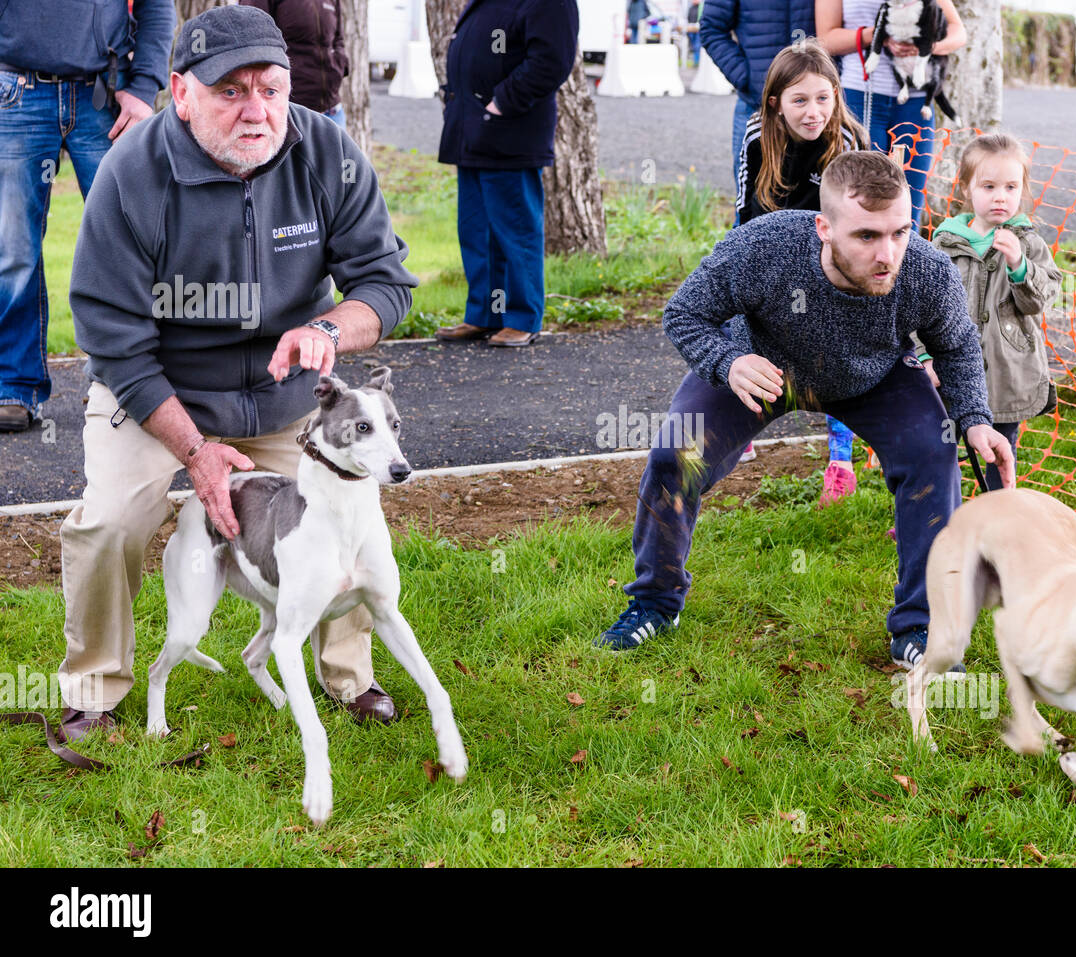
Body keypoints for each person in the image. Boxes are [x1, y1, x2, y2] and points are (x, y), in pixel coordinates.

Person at [56, 5, 418, 743]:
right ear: (180, 93)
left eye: (272, 88)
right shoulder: (131, 173)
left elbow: (387, 284)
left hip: (284, 397)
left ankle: (351, 676)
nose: (256, 110)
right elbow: (112, 338)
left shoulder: (327, 151)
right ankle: (93, 688)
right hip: (158, 391)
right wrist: (196, 452)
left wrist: (326, 329)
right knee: (112, 520)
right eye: (231, 91)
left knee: (342, 515)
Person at [596, 150, 1014, 672]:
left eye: (900, 232)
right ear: (824, 227)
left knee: (934, 457)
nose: (889, 254)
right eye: (867, 236)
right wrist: (727, 362)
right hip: (763, 372)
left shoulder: (925, 270)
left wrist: (975, 418)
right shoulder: (765, 246)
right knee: (675, 454)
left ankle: (920, 627)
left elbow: (955, 345)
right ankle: (655, 603)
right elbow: (684, 312)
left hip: (873, 375)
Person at [0, 0, 175, 433]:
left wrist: (144, 84)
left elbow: (157, 5)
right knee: (12, 250)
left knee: (137, 244)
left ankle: (148, 387)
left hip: (106, 98)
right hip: (15, 92)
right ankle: (15, 388)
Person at [733, 40, 869, 502]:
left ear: (836, 95)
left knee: (838, 354)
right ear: (775, 104)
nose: (814, 112)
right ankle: (736, 426)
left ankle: (840, 460)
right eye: (799, 100)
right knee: (740, 323)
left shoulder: (848, 142)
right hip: (771, 257)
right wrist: (745, 269)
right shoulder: (756, 136)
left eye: (823, 98)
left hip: (831, 262)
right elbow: (743, 214)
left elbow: (860, 223)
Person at [914, 133, 1063, 490]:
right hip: (949, 373)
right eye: (989, 185)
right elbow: (920, 306)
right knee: (940, 448)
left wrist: (1019, 265)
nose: (1001, 196)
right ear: (966, 188)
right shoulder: (943, 243)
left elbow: (1040, 301)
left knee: (1000, 450)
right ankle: (935, 514)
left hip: (1007, 375)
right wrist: (924, 355)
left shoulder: (1028, 243)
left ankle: (999, 519)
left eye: (1011, 187)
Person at [434, 0, 580, 349]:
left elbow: (551, 61)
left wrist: (501, 103)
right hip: (471, 132)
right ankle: (484, 314)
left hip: (510, 131)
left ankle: (522, 318)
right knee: (477, 231)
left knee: (515, 230)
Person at [816, 0, 967, 229]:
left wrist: (926, 44)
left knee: (909, 204)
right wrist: (879, 34)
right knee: (857, 199)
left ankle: (905, 263)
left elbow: (958, 31)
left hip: (914, 102)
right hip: (860, 96)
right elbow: (825, 39)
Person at [699, 0, 817, 193]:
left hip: (815, 108)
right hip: (757, 105)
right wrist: (745, 76)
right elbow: (711, 28)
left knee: (816, 203)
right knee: (752, 199)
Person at [240, 0, 350, 128]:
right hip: (290, 113)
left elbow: (338, 38)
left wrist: (340, 66)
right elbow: (252, 43)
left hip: (332, 111)